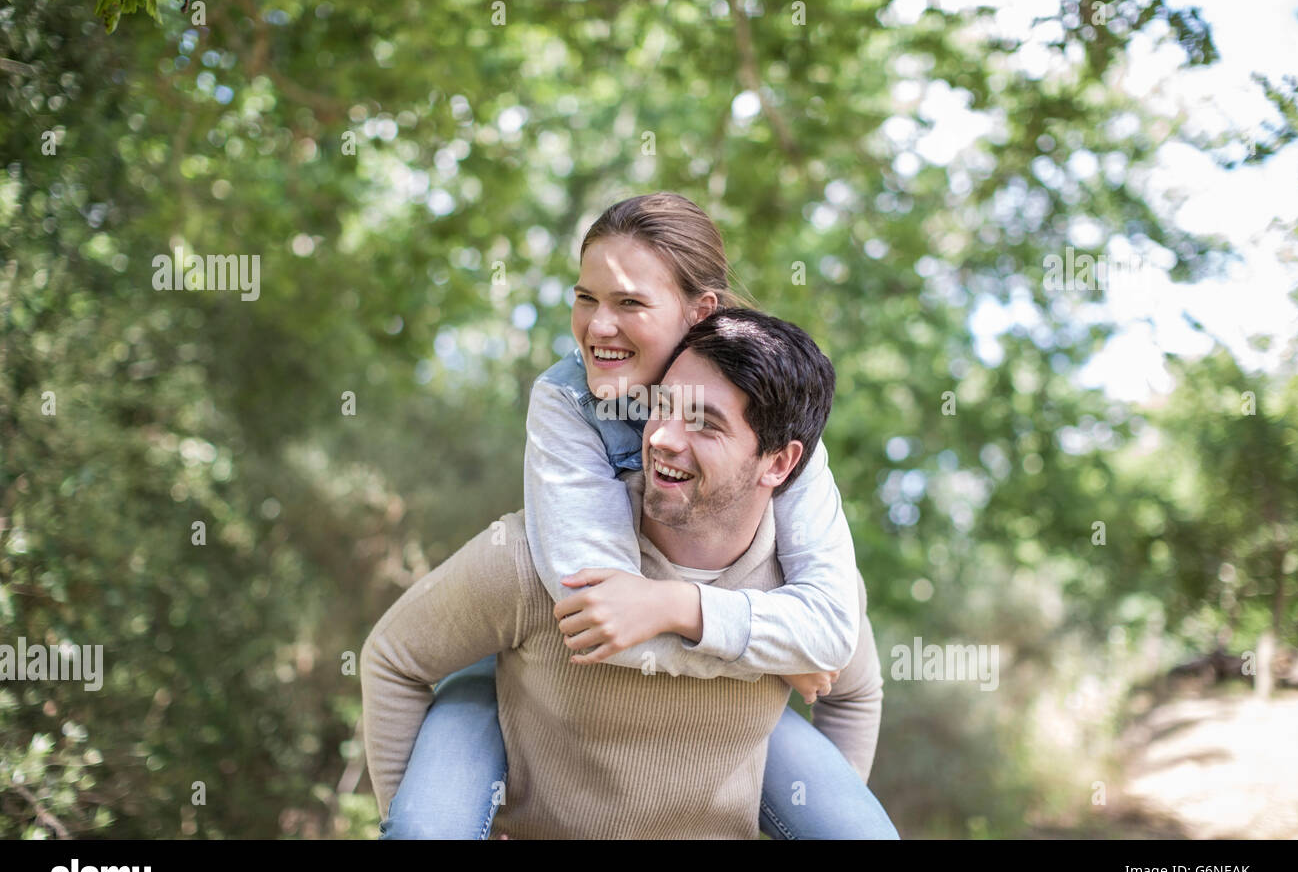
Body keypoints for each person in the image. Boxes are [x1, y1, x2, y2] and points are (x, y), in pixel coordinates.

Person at [362, 308, 898, 838]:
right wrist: (410, 818)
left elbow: (853, 693)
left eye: (704, 423)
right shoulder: (535, 560)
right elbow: (392, 658)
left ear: (778, 464)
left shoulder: (809, 598)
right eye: (661, 406)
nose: (663, 437)